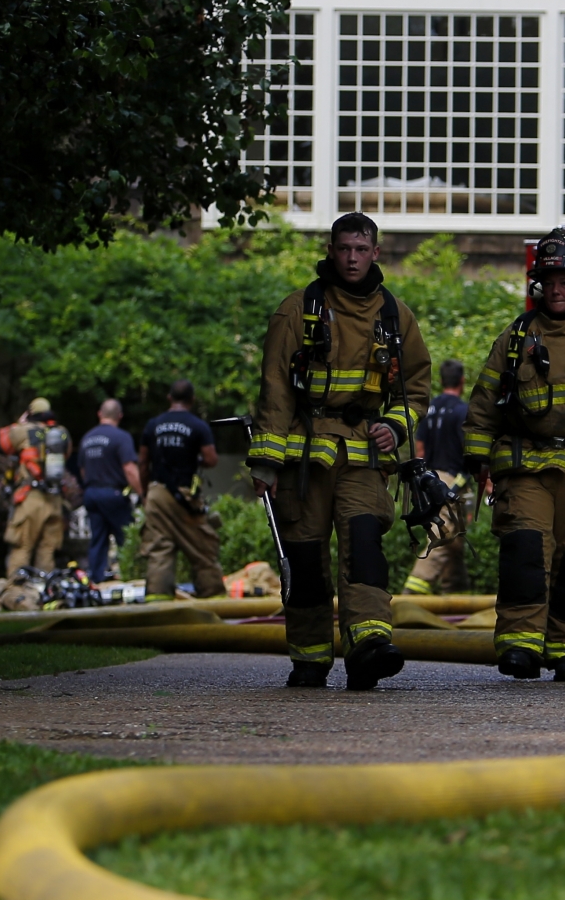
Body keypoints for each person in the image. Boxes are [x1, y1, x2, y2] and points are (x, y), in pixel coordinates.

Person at [249, 213, 431, 690]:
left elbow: (416, 389)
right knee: (305, 560)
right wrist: (266, 462)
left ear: (376, 253)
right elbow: (275, 391)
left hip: (363, 457)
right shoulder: (298, 310)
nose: (352, 257)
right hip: (303, 460)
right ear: (331, 250)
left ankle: (368, 646)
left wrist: (394, 426)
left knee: (365, 549)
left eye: (361, 248)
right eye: (344, 248)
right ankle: (309, 659)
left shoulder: (395, 316)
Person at [464, 229, 565, 681]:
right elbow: (483, 405)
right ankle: (519, 645)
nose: (556, 289)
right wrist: (479, 461)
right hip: (527, 467)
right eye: (549, 281)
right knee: (526, 554)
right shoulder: (516, 338)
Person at [139, 381, 226, 600]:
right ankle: (214, 597)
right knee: (203, 546)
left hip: (156, 493)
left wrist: (145, 493)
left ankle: (157, 603)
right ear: (192, 400)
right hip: (184, 496)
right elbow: (211, 459)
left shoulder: (152, 425)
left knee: (160, 547)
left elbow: (142, 462)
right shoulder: (197, 426)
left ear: (169, 398)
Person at [404, 359, 472, 596]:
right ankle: (413, 590)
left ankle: (455, 593)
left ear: (441, 381)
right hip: (452, 483)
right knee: (443, 534)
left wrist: (420, 483)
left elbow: (419, 450)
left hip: (430, 480)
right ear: (462, 381)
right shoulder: (463, 411)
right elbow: (471, 452)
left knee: (455, 539)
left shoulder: (429, 409)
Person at [0, 396, 73, 575]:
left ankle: (16, 592)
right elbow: (67, 454)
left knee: (22, 547)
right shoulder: (62, 433)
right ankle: (43, 594)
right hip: (54, 500)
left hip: (30, 498)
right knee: (46, 550)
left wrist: (19, 422)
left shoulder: (24, 431)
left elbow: (0, 443)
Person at [76, 398, 143, 585]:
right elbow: (129, 469)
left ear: (100, 414)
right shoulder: (121, 437)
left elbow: (82, 470)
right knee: (126, 536)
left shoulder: (87, 438)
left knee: (97, 538)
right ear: (120, 416)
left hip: (91, 493)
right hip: (113, 493)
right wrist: (143, 494)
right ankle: (131, 575)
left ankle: (95, 581)